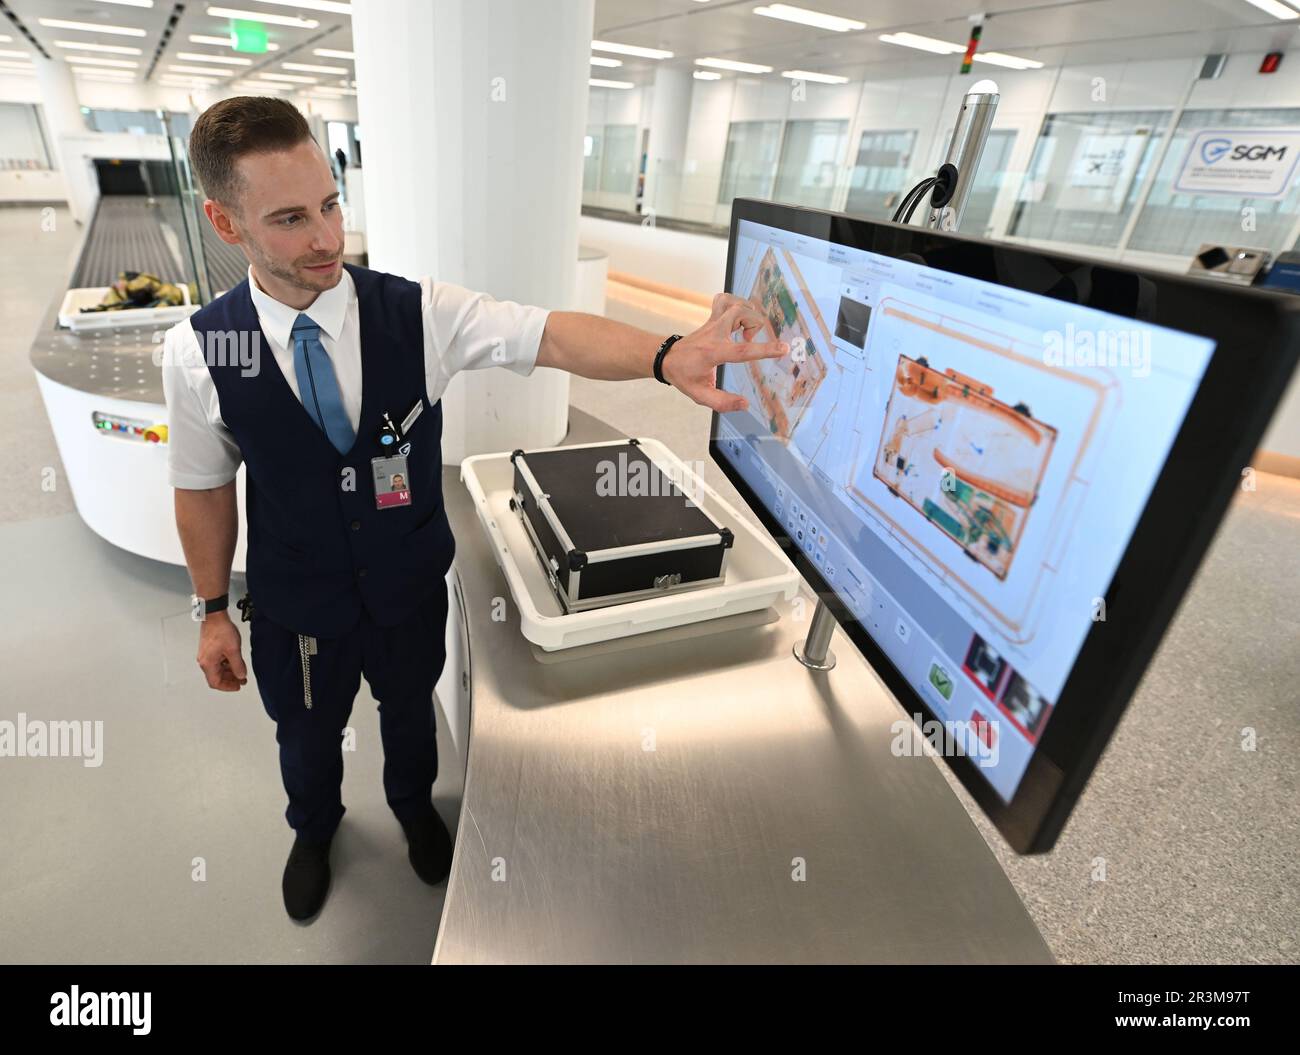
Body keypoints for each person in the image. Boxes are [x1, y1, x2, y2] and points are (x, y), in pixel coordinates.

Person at [161, 96, 786, 923]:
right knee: (305, 738)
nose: (325, 238)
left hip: (406, 590)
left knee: (411, 711)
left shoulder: (416, 313)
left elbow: (548, 336)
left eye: (331, 204)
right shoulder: (201, 349)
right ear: (225, 222)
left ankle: (416, 807)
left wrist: (665, 355)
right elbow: (202, 485)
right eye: (289, 219)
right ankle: (314, 830)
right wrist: (210, 611)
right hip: (296, 606)